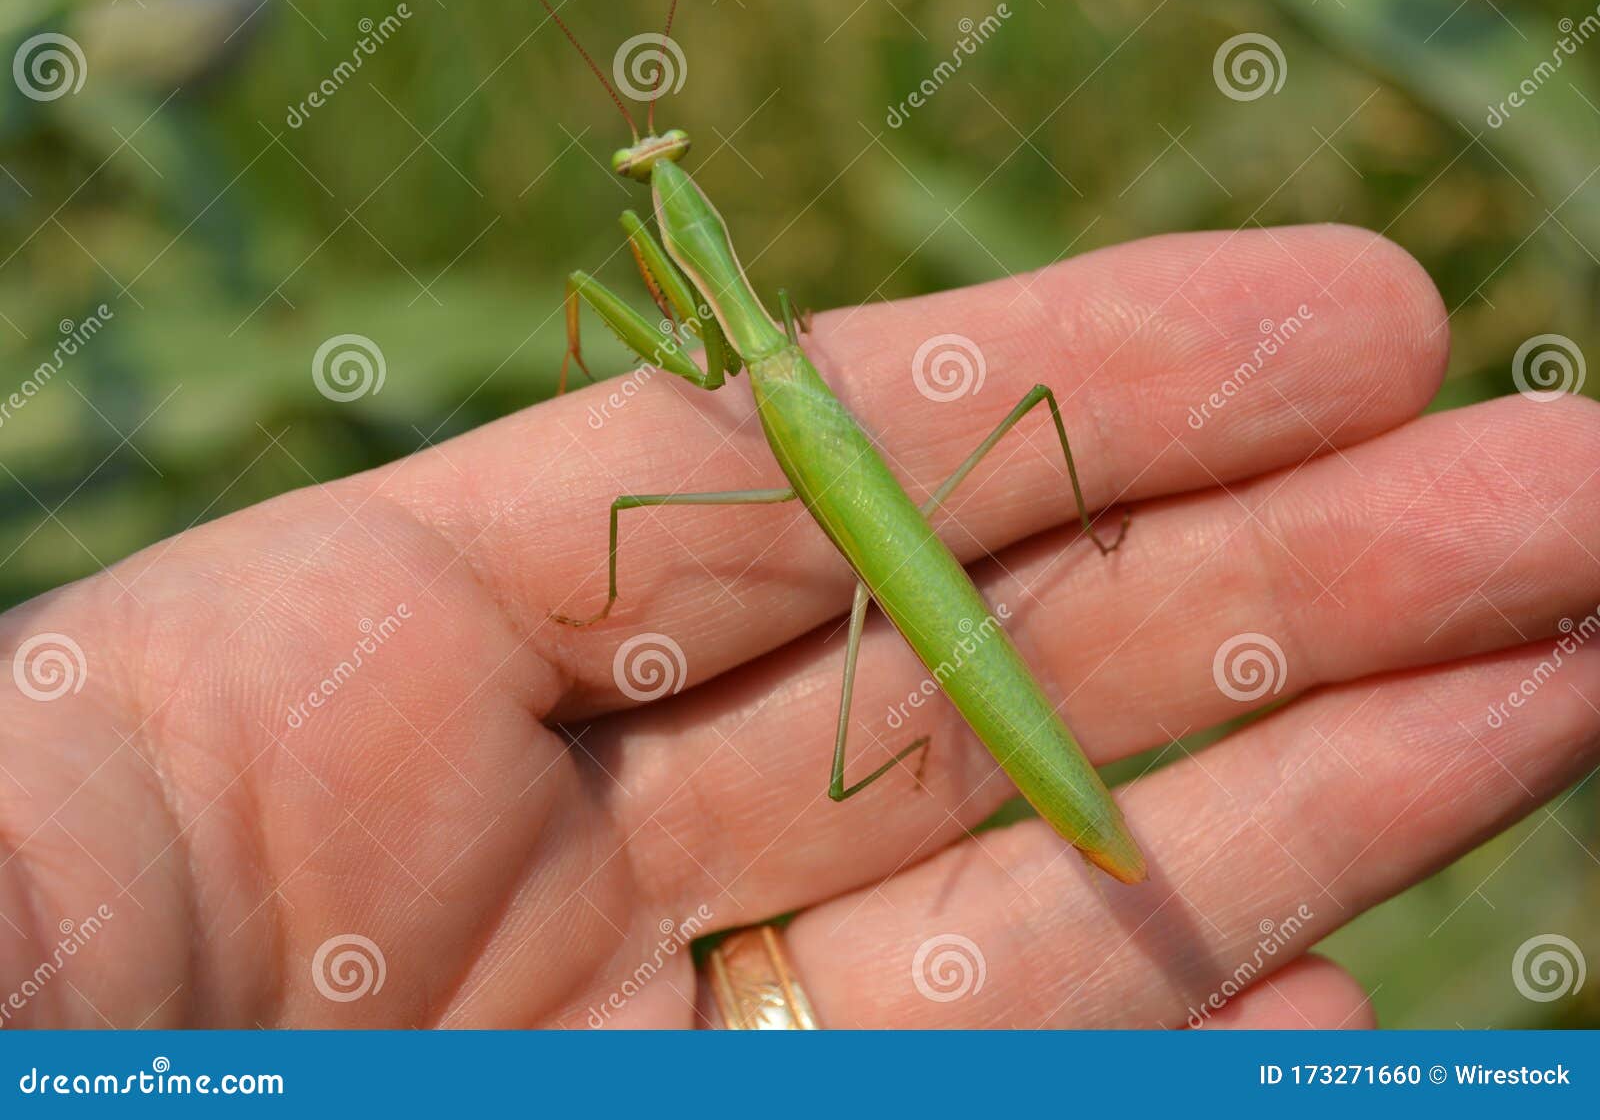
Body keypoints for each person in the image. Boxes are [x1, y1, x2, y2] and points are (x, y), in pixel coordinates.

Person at [2, 225, 1595, 1028]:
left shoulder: (757, 375)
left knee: (669, 544)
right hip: (896, 564)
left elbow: (662, 394)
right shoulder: (783, 356)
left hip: (892, 574)